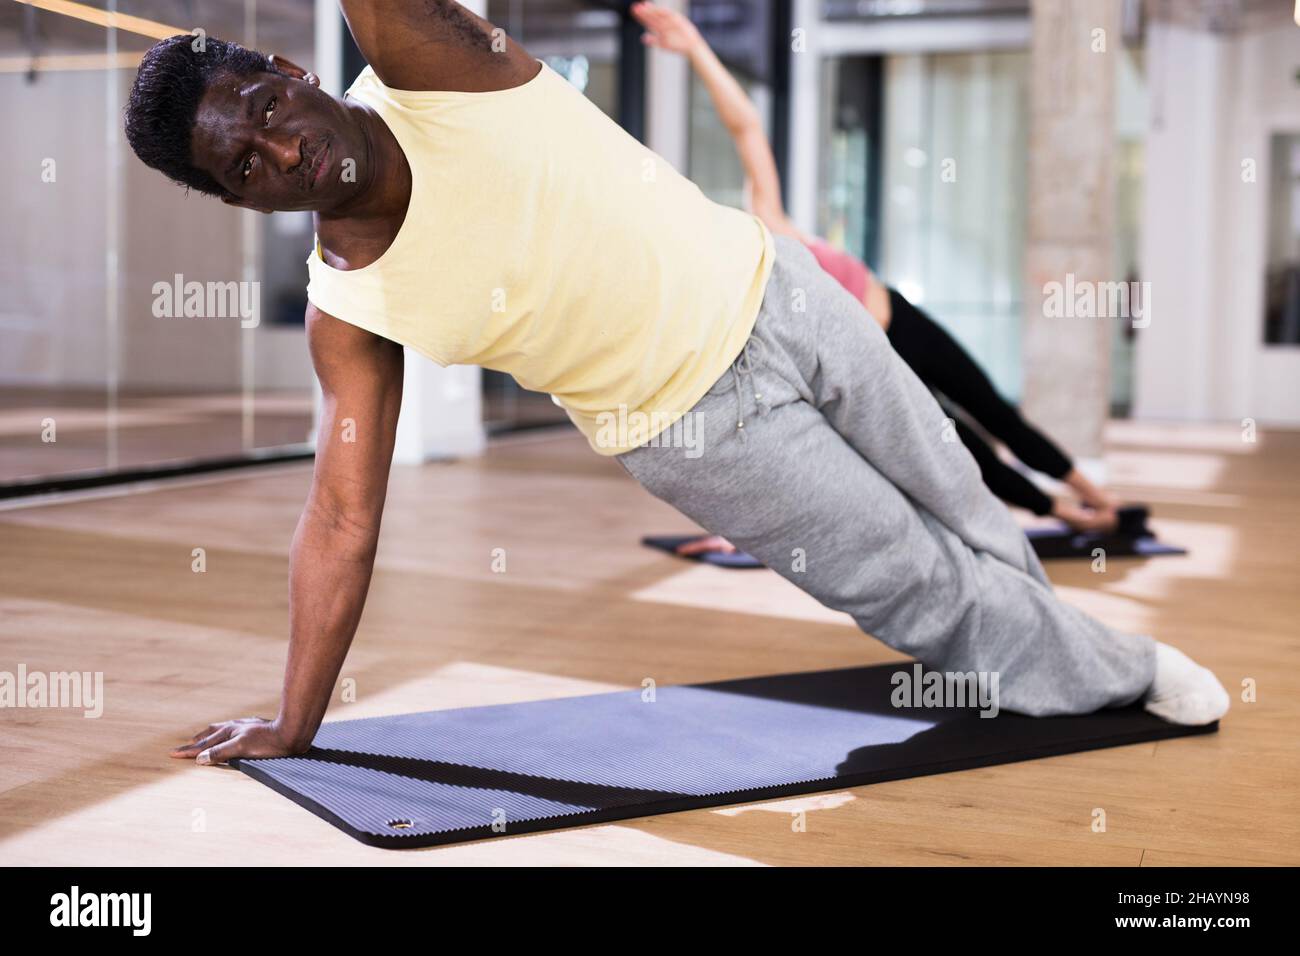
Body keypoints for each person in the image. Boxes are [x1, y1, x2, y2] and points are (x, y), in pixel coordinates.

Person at [121, 2, 1226, 766]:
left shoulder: (429, 62)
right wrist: (293, 717)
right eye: (243, 167)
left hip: (775, 283)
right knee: (912, 583)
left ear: (291, 71)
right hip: (693, 427)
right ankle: (1123, 670)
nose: (279, 154)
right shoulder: (349, 305)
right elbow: (339, 515)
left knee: (957, 490)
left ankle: (1048, 647)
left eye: (264, 113)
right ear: (238, 203)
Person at [631, 1, 1121, 554]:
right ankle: (1063, 513)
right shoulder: (742, 293)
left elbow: (745, 127)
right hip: (874, 365)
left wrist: (695, 47)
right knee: (962, 452)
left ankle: (1094, 496)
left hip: (902, 320)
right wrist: (735, 533)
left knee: (995, 412)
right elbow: (766, 432)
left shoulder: (770, 224)